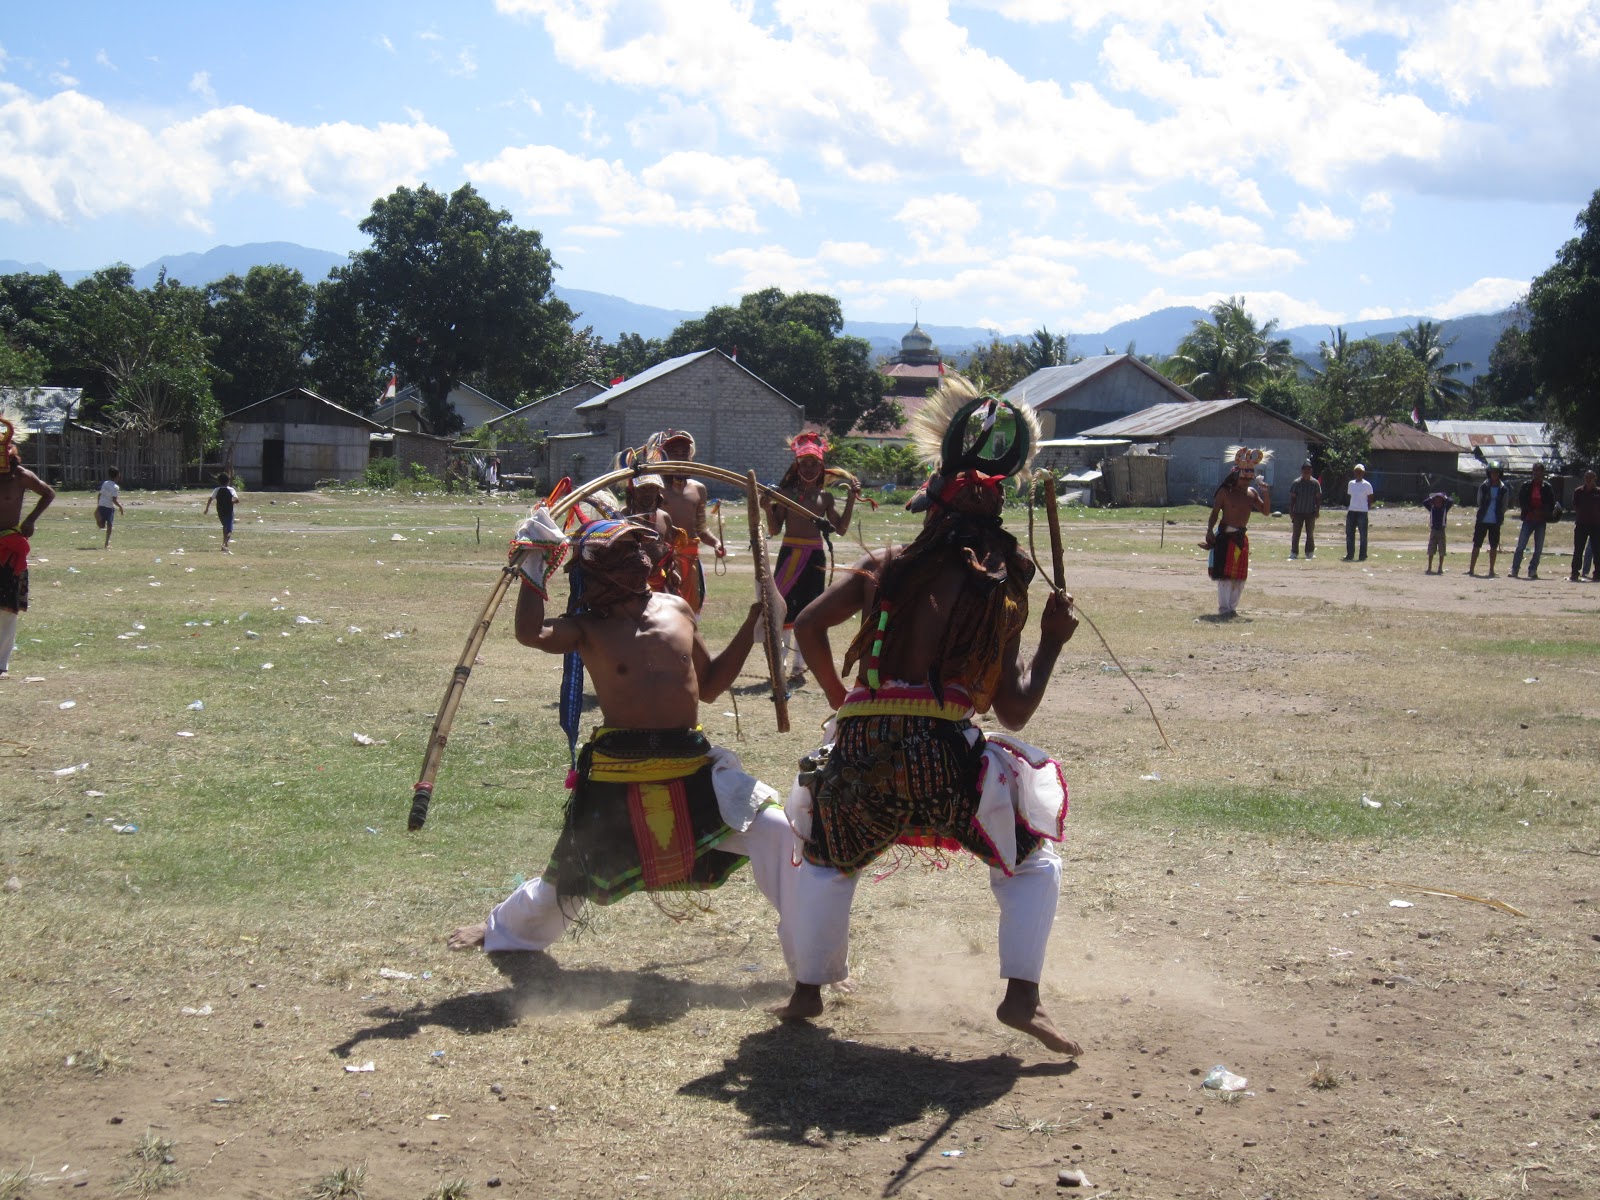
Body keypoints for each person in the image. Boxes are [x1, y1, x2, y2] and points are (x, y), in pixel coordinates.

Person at [773, 379, 1080, 1057]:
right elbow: (1016, 710)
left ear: (929, 507)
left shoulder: (886, 565)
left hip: (862, 747)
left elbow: (809, 626)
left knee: (827, 857)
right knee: (1031, 863)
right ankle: (1022, 999)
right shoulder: (999, 587)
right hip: (944, 752)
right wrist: (1053, 641)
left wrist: (842, 703)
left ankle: (806, 992)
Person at [448, 511, 799, 972]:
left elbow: (710, 686)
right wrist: (534, 565)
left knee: (777, 834)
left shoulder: (677, 608)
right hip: (619, 767)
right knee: (572, 873)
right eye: (623, 554)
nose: (638, 560)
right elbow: (531, 633)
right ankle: (503, 929)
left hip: (693, 762)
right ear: (596, 569)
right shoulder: (586, 627)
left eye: (639, 550)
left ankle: (811, 965)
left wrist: (754, 626)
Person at [762, 431, 858, 686]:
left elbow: (841, 529)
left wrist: (850, 500)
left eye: (813, 463)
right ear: (796, 465)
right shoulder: (785, 493)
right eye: (804, 463)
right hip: (789, 555)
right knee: (782, 608)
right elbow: (774, 530)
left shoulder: (825, 497)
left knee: (808, 611)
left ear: (821, 466)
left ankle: (798, 667)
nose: (808, 468)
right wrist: (765, 508)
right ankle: (779, 667)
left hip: (814, 558)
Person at [0, 420, 56, 679]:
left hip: (9, 546)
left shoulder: (20, 476)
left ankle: (2, 663)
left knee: (7, 607)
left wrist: (30, 520)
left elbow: (48, 493)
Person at [648, 429, 723, 612]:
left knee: (690, 612)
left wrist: (716, 543)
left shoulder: (698, 489)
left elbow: (700, 529)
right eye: (674, 453)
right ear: (663, 456)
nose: (680, 458)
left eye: (684, 453)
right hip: (663, 559)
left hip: (691, 560)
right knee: (661, 611)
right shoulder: (653, 488)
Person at [1203, 447, 1271, 618]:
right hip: (1225, 537)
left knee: (1239, 578)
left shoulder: (1252, 493)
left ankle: (1232, 609)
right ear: (1236, 475)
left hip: (1240, 538)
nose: (1247, 478)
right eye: (1244, 474)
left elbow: (1265, 511)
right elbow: (1214, 514)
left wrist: (1265, 492)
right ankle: (1224, 609)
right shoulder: (1225, 492)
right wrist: (1209, 531)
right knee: (1225, 576)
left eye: (1250, 474)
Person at [1509, 462, 1559, 579]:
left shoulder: (1547, 487)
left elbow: (1551, 503)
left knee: (1538, 548)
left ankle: (1532, 569)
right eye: (1535, 470)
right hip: (1528, 519)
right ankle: (1515, 569)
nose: (1536, 473)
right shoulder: (1526, 485)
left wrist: (1542, 511)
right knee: (1521, 545)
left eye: (1539, 471)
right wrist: (1531, 510)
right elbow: (1521, 500)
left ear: (1542, 472)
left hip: (1541, 520)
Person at [1467, 461, 1512, 577]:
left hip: (1495, 521)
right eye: (1492, 472)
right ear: (1489, 473)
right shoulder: (1483, 486)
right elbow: (1479, 501)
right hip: (1482, 520)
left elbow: (1505, 505)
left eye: (1497, 472)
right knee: (1477, 544)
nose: (1494, 475)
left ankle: (1491, 570)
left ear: (1500, 473)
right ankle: (1471, 569)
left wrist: (1499, 515)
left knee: (1493, 546)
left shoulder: (1503, 489)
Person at [1568, 469, 1599, 582]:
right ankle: (1575, 572)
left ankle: (1597, 574)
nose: (1589, 480)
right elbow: (1575, 506)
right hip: (1581, 524)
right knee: (1578, 550)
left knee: (1597, 550)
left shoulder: (1598, 492)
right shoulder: (1578, 491)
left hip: (1596, 525)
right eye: (1587, 478)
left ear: (1594, 479)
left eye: (1591, 478)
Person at [1287, 460, 1321, 560]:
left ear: (1311, 471)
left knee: (1310, 533)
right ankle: (1294, 552)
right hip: (1298, 512)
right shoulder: (1296, 483)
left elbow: (1318, 498)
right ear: (1302, 471)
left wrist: (1317, 510)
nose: (1307, 472)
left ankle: (1309, 552)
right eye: (1305, 470)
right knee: (1296, 533)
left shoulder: (1315, 483)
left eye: (1309, 470)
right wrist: (1291, 511)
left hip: (1310, 512)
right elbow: (1292, 498)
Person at [1343, 463, 1374, 561]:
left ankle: (1362, 555)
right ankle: (1350, 554)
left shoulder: (1367, 485)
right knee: (1350, 534)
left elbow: (1370, 498)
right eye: (1356, 471)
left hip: (1362, 512)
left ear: (1363, 473)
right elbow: (1350, 496)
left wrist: (1366, 508)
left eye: (1360, 472)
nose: (1358, 473)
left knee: (1363, 535)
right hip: (1352, 511)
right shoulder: (1351, 483)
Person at [203, 473, 238, 552]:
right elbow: (237, 500)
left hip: (220, 511)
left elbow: (210, 499)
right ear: (228, 481)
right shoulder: (231, 489)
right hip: (229, 511)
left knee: (224, 526)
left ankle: (225, 543)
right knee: (229, 530)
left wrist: (207, 509)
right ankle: (224, 544)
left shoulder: (217, 489)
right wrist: (232, 502)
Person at [1423, 491, 1454, 574]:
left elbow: (1451, 501)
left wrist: (1445, 497)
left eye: (1440, 501)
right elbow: (1425, 502)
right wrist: (1432, 497)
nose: (1438, 503)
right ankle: (1429, 567)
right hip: (1433, 531)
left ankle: (1440, 567)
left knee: (1442, 550)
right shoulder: (1432, 508)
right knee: (1431, 550)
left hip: (1441, 531)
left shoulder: (1444, 509)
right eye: (1436, 501)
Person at [95, 466, 125, 548]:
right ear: (117, 476)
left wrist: (98, 505)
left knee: (102, 526)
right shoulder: (116, 487)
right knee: (109, 526)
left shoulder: (105, 483)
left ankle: (98, 519)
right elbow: (114, 500)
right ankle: (106, 543)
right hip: (109, 507)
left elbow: (100, 494)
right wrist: (120, 507)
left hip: (101, 505)